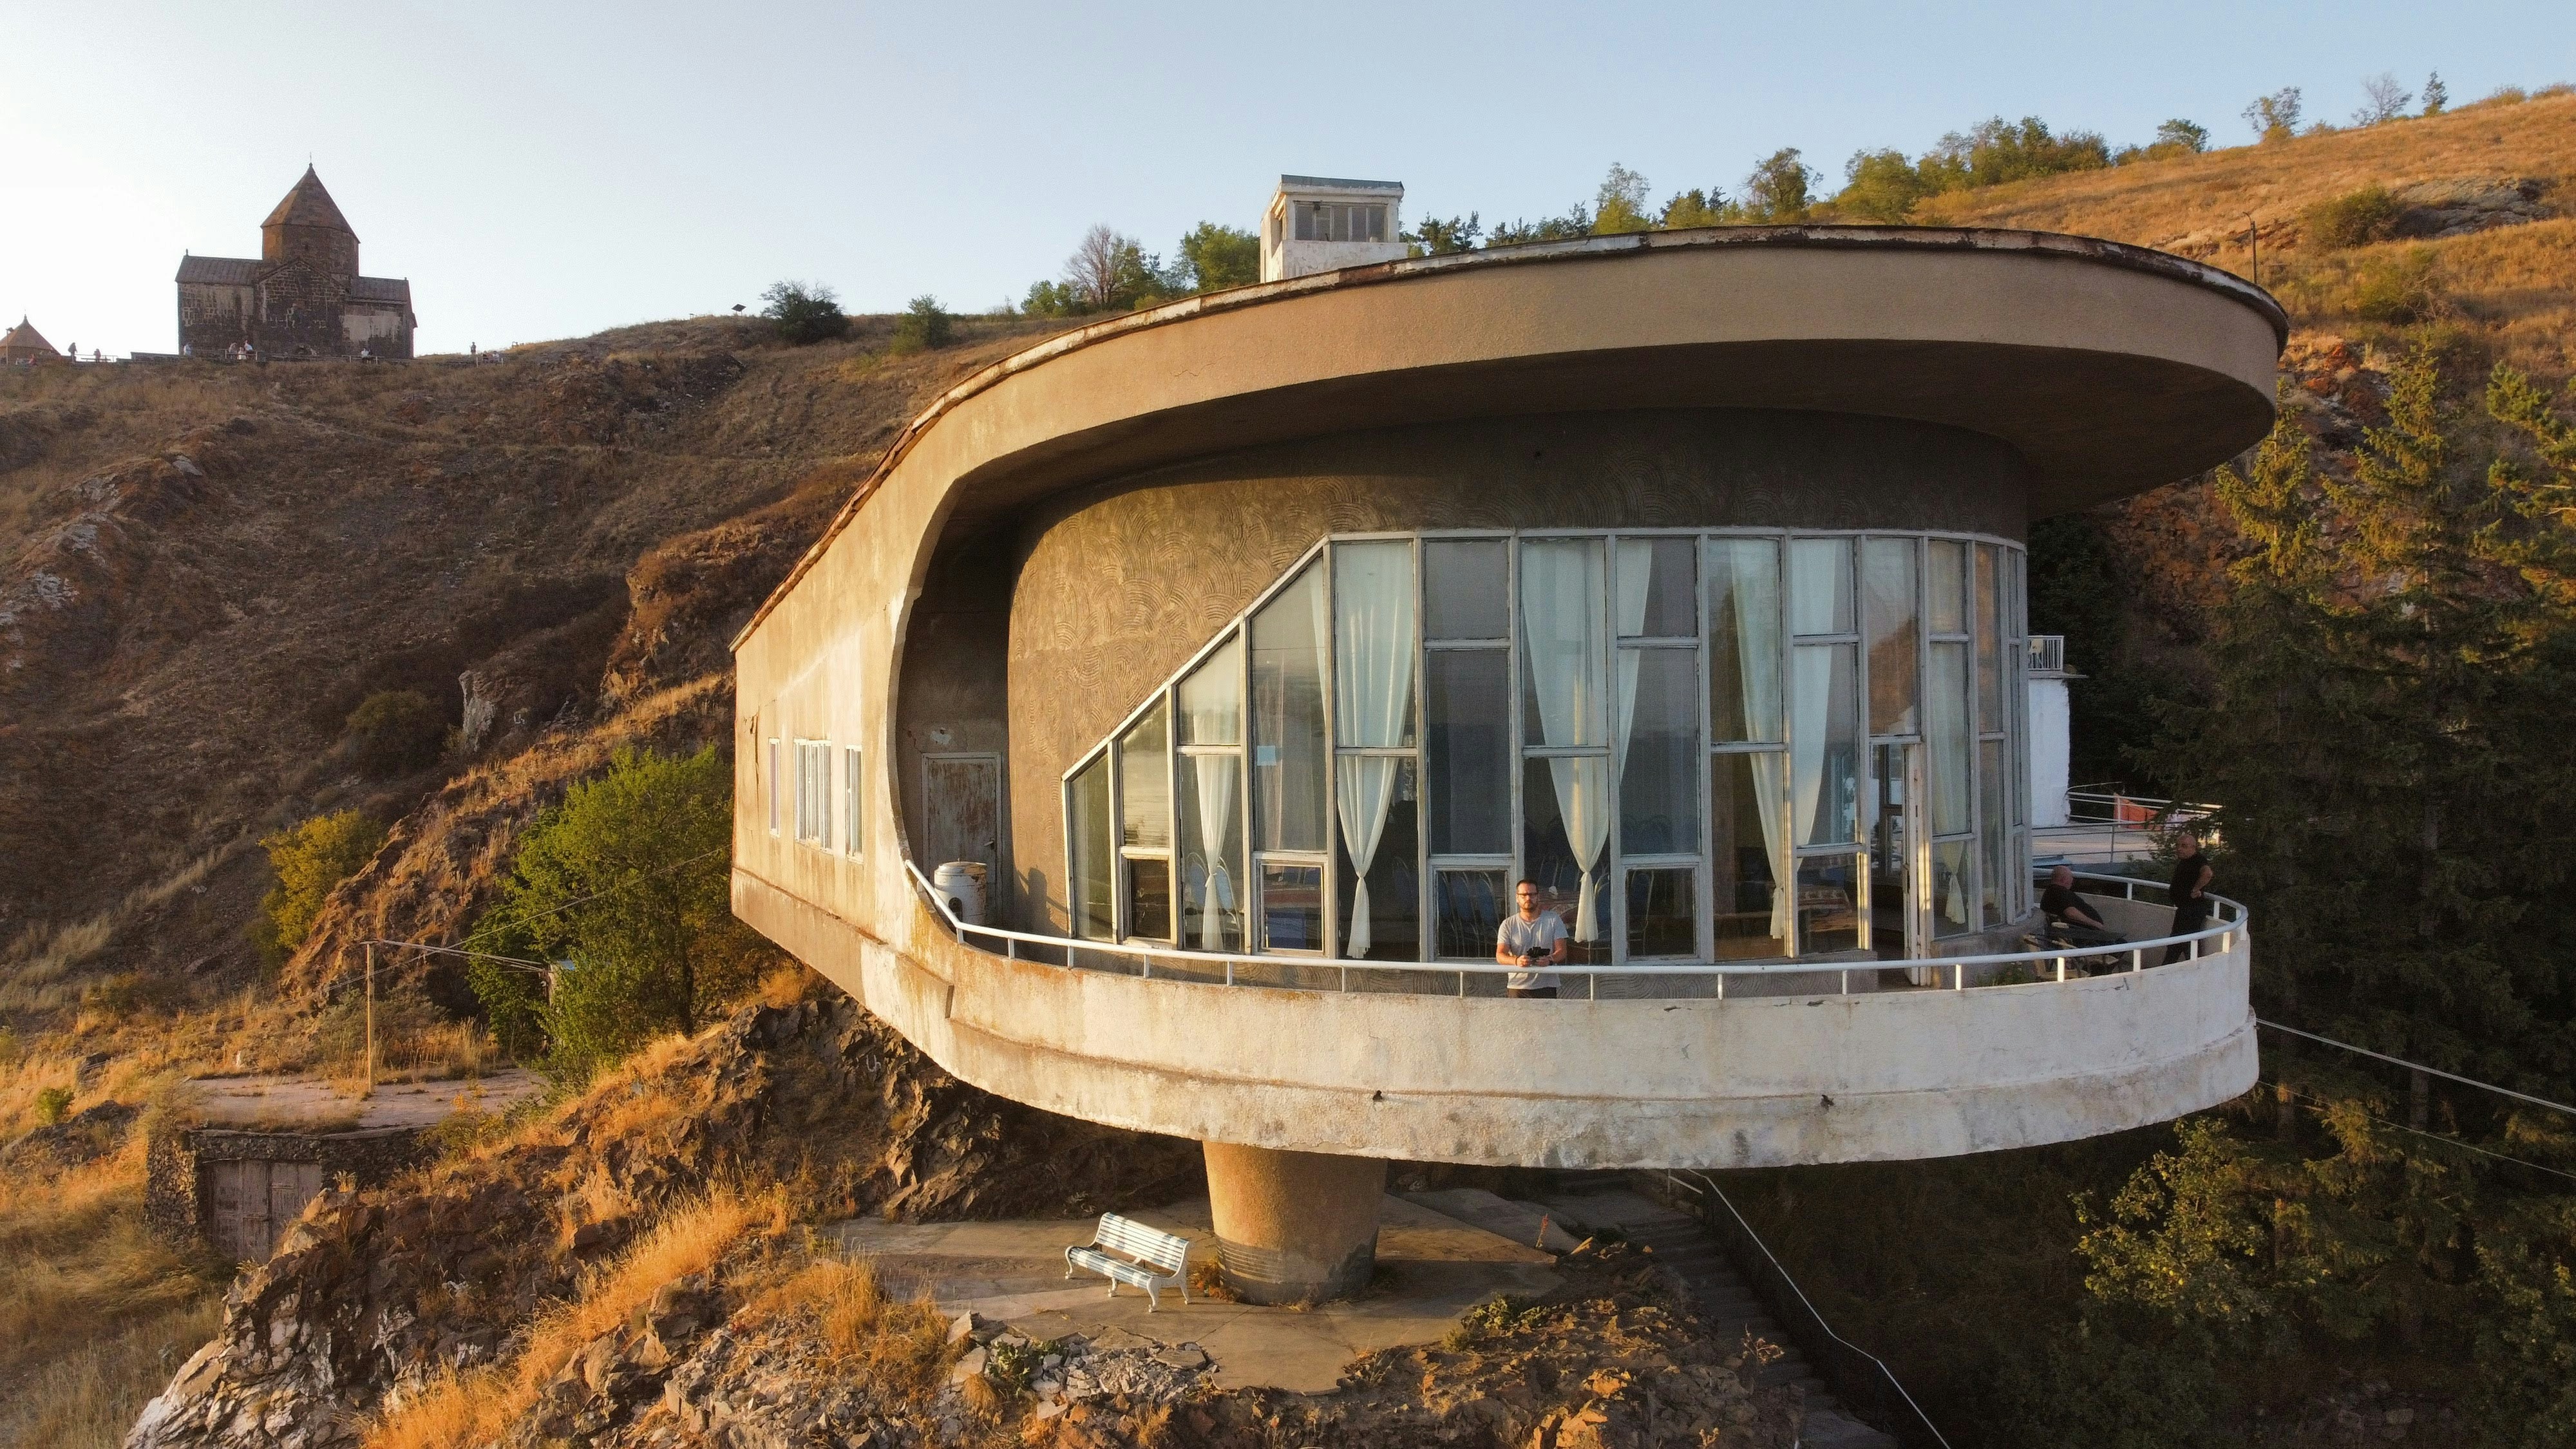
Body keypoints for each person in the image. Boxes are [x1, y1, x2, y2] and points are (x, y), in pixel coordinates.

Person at [1495, 878, 1567, 999]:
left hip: (1547, 985)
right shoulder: (1508, 924)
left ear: (1538, 897)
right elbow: (1500, 955)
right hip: (1518, 986)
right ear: (1517, 898)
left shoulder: (1554, 920)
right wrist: (1517, 961)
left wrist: (1550, 960)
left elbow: (1562, 952)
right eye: (1524, 895)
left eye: (1532, 895)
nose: (1528, 898)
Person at [2040, 864, 2125, 951]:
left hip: (2077, 934)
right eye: (2071, 877)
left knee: (2119, 942)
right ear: (2064, 879)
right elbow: (2071, 913)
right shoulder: (2059, 892)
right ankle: (2101, 964)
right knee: (2121, 943)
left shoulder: (2051, 892)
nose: (2072, 880)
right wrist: (2095, 924)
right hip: (2083, 936)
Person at [2164, 831, 2215, 963]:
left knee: (2183, 942)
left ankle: (2167, 969)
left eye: (2184, 846)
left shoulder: (2198, 860)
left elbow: (2208, 874)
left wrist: (2195, 889)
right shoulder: (2184, 862)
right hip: (2184, 909)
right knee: (2182, 943)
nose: (2180, 849)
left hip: (2191, 910)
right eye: (2178, 845)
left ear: (2193, 848)